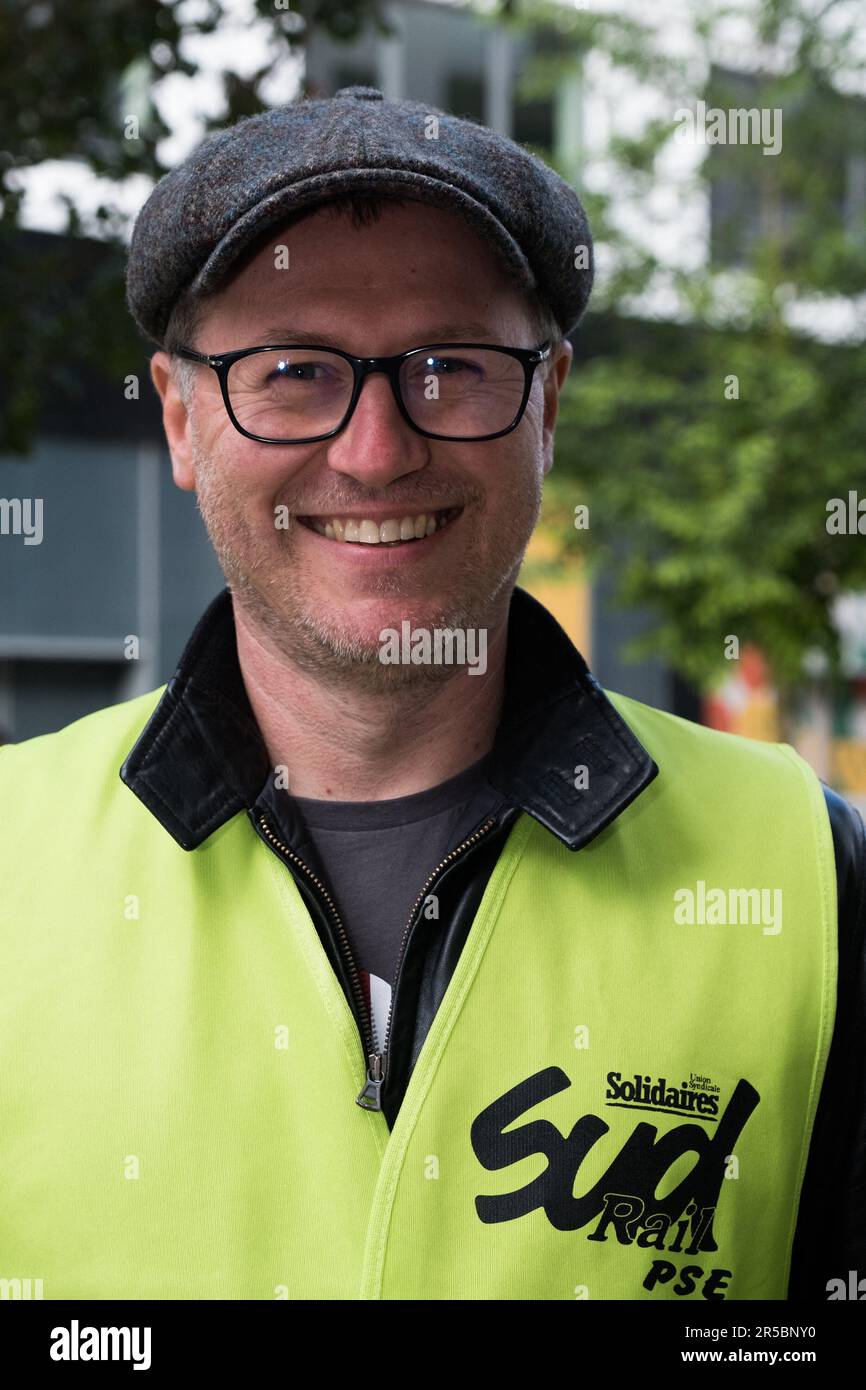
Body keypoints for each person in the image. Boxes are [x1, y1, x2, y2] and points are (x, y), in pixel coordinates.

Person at [0, 85, 863, 1303]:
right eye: (293, 370)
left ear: (548, 403)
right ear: (182, 416)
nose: (374, 450)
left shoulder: (814, 880)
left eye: (448, 366)